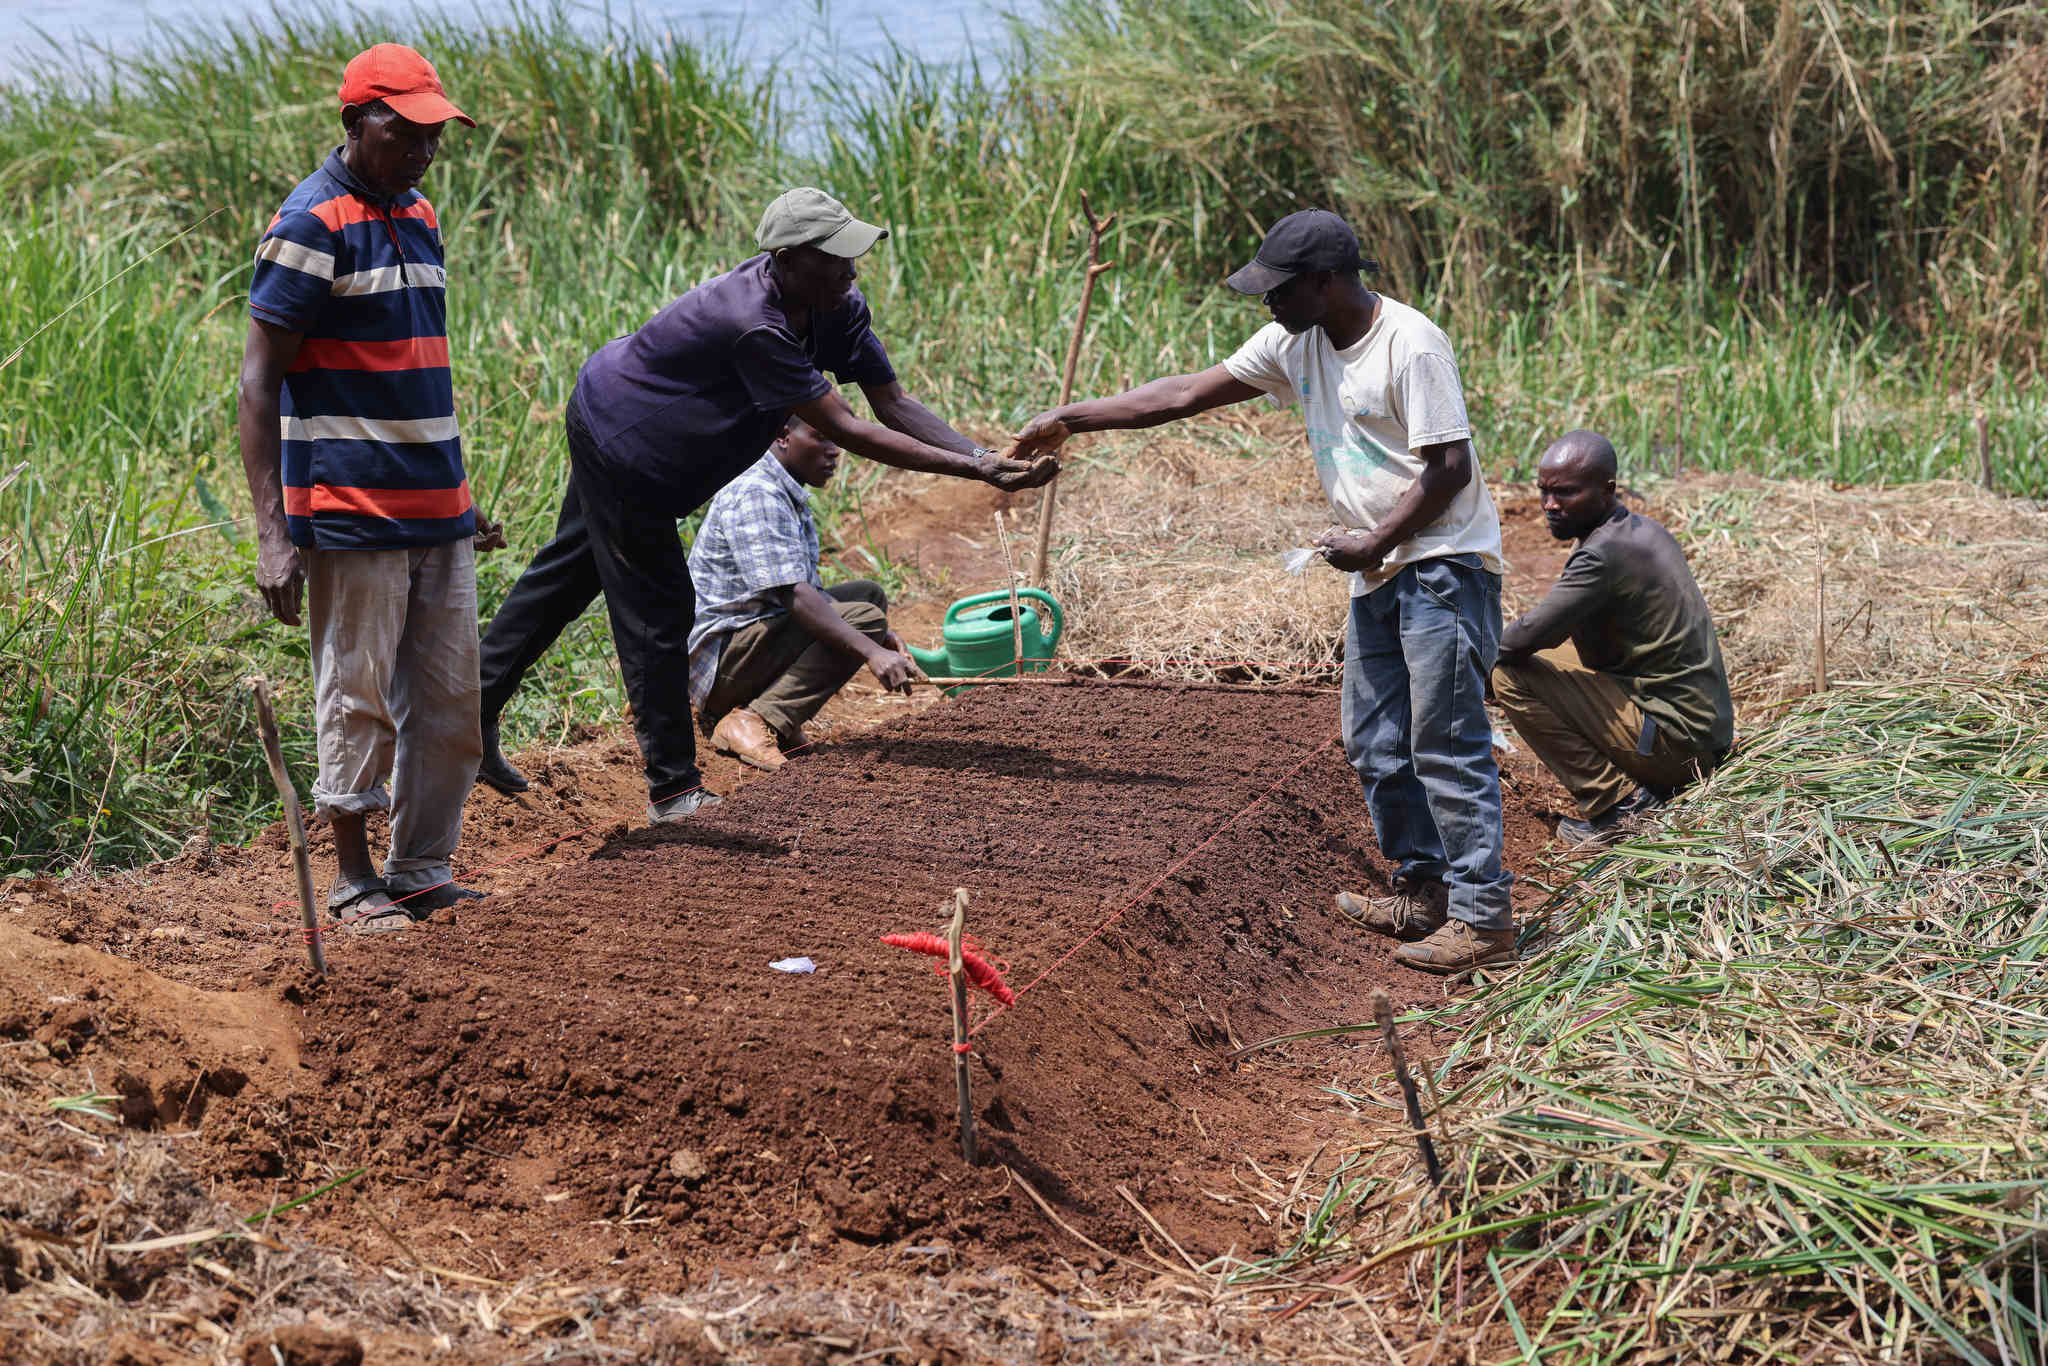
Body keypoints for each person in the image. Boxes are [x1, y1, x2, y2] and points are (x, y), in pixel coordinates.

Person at [1017, 209, 1514, 974]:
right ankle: (1425, 890)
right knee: (1375, 741)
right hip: (1377, 568)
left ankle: (1484, 916)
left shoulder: (1410, 344)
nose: (1266, 303)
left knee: (1444, 743)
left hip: (1440, 563)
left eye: (1277, 289)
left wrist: (1375, 541)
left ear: (1325, 282)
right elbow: (1184, 392)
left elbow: (1448, 469)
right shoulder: (1296, 340)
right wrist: (1070, 419)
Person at [474, 187, 1058, 822]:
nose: (851, 269)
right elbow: (850, 428)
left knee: (563, 580)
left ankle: (466, 718)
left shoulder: (836, 303)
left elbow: (891, 403)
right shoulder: (756, 323)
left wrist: (979, 456)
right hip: (625, 442)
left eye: (851, 255)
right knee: (658, 610)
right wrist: (975, 470)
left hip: (637, 431)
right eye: (835, 258)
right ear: (786, 259)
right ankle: (673, 790)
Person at [237, 44, 502, 934]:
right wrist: (274, 534)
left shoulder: (420, 212)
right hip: (351, 510)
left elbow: (418, 369)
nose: (426, 146)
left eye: (436, 131)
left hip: (436, 510)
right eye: (408, 128)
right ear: (355, 122)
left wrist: (460, 500)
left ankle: (421, 867)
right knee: (355, 699)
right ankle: (352, 881)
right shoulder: (310, 224)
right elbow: (257, 380)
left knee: (449, 704)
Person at [1493, 430, 1735, 846]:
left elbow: (1525, 637)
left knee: (1507, 675)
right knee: (1541, 659)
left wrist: (1468, 664)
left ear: (1607, 489)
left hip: (1677, 745)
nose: (1550, 506)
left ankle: (1621, 810)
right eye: (1544, 492)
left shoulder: (1604, 553)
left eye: (1565, 493)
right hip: (1700, 731)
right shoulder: (1639, 531)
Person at [687, 418, 916, 770]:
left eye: (836, 439)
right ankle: (754, 720)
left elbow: (802, 595)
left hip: (750, 639)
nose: (834, 450)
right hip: (720, 663)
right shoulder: (758, 493)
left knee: (868, 598)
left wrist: (879, 635)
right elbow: (794, 596)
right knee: (864, 620)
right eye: (821, 437)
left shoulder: (783, 489)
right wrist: (871, 649)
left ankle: (778, 716)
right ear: (782, 436)